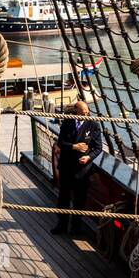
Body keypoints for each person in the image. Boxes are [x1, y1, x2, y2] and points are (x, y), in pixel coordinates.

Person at [53, 100, 103, 235]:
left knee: (79, 200)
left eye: (87, 113)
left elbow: (98, 147)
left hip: (83, 169)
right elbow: (61, 143)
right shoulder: (67, 122)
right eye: (82, 113)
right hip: (66, 166)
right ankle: (62, 224)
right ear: (76, 112)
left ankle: (76, 227)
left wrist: (88, 157)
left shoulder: (93, 124)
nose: (85, 115)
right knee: (63, 197)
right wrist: (74, 147)